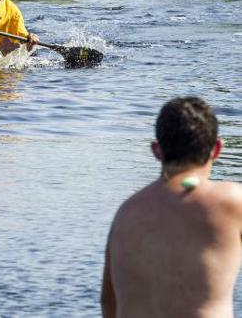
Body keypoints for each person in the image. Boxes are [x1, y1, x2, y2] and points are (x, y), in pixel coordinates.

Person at [101, 96, 242, 317]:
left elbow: (109, 302)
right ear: (217, 149)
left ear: (156, 150)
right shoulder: (233, 202)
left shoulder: (126, 213)